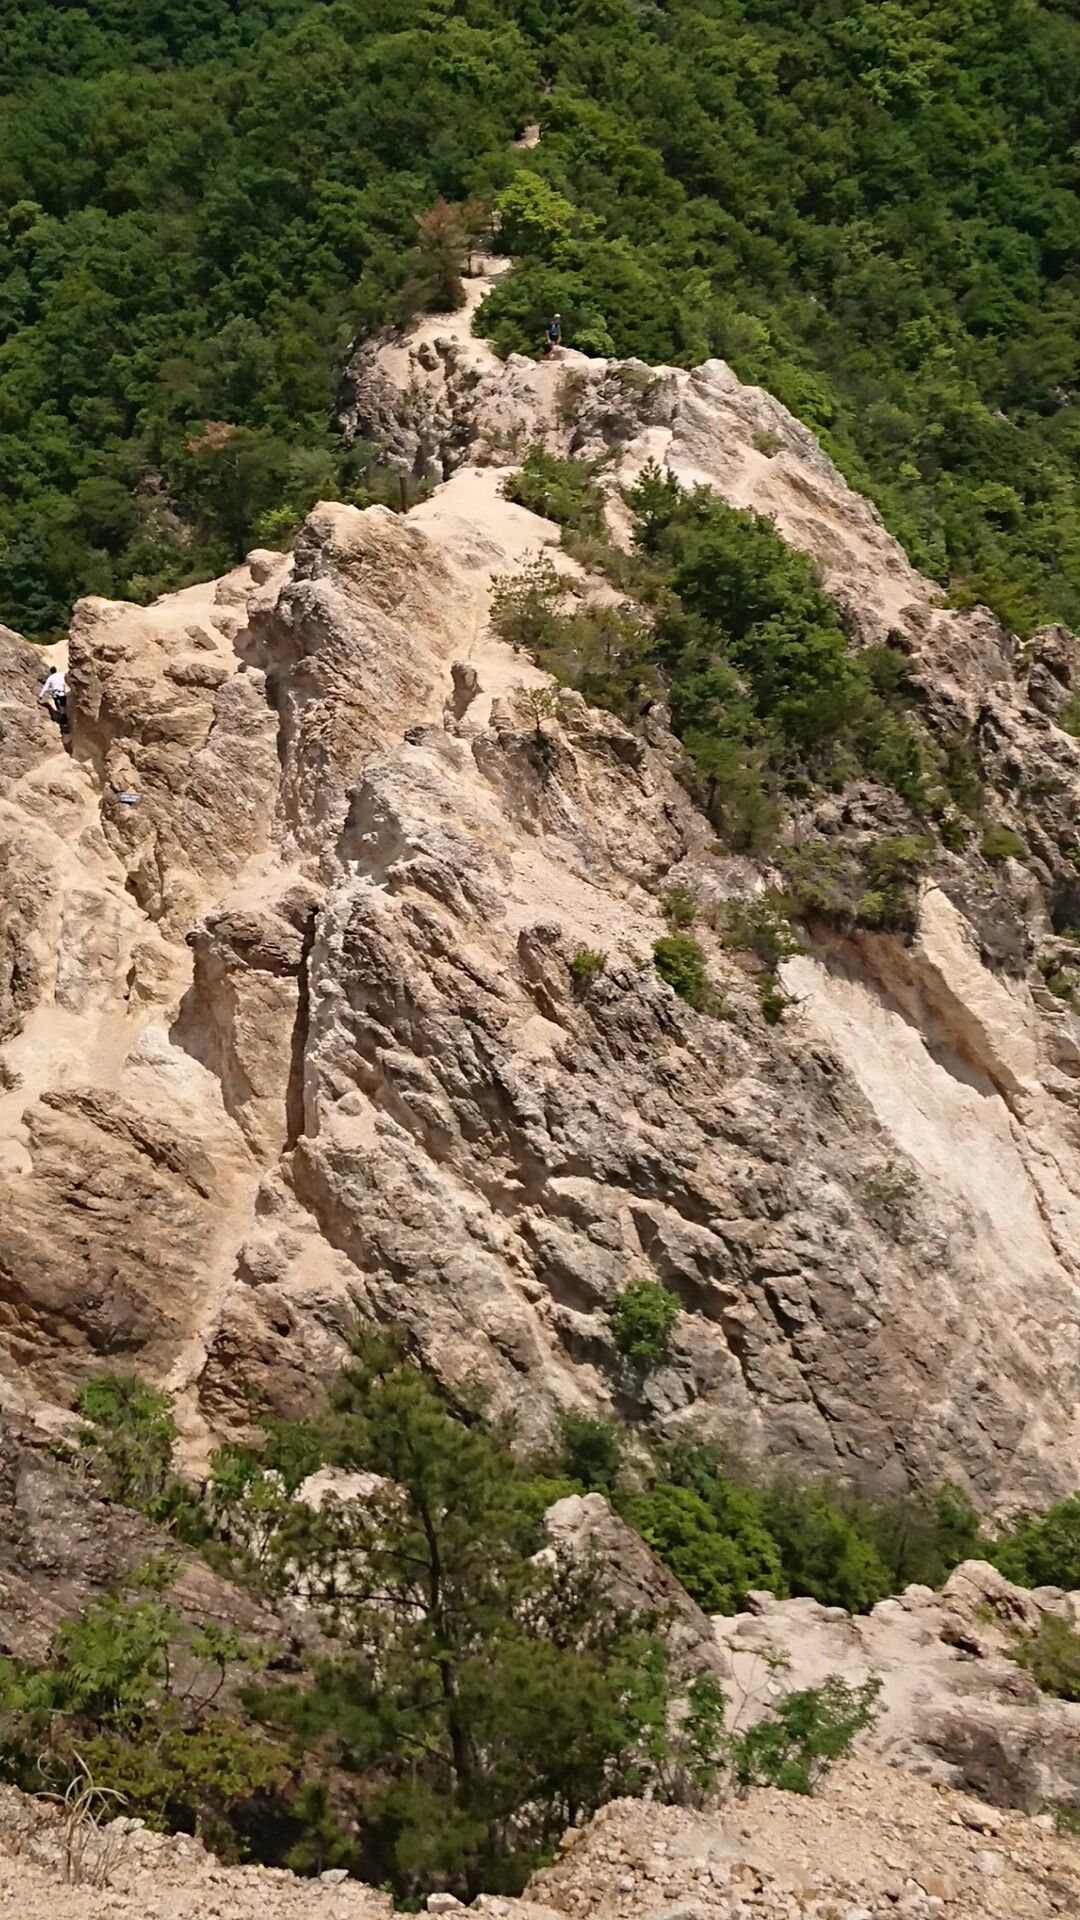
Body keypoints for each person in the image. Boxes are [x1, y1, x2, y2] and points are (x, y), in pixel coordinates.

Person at [38, 666, 68, 733]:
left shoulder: (50, 678)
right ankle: (65, 724)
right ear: (56, 670)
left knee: (58, 705)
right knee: (63, 709)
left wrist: (40, 695)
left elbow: (45, 687)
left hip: (56, 695)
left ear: (51, 672)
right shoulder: (61, 674)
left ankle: (59, 712)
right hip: (62, 694)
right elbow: (67, 676)